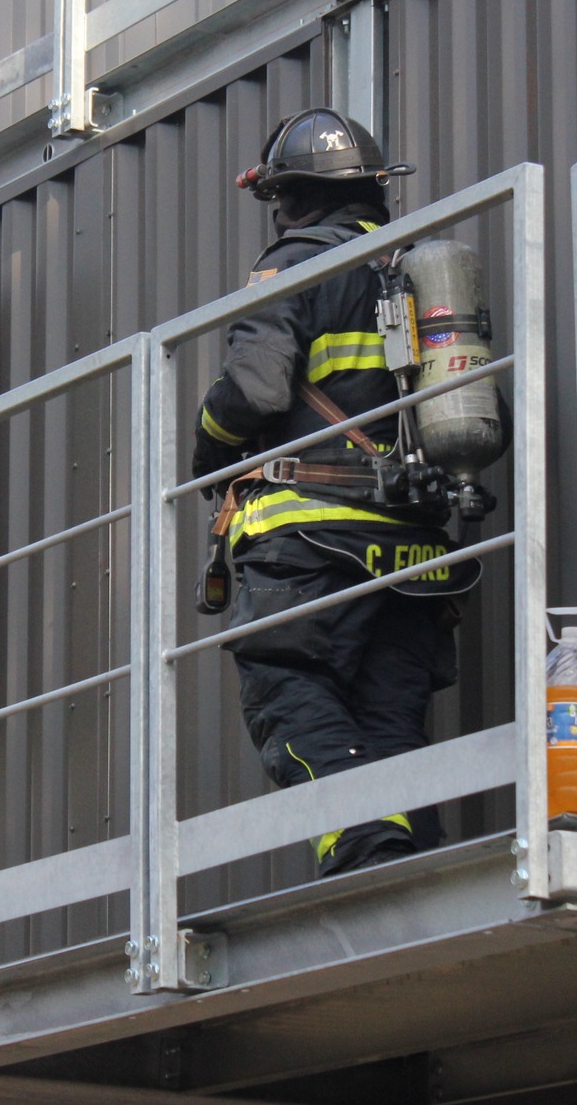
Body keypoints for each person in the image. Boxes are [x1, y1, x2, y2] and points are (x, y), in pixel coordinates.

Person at [190, 109, 481, 877]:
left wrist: (206, 448)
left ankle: (361, 849)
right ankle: (409, 854)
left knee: (287, 687)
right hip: (418, 547)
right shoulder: (415, 277)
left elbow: (250, 394)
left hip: (309, 536)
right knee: (388, 713)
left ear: (287, 197)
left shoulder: (291, 267)